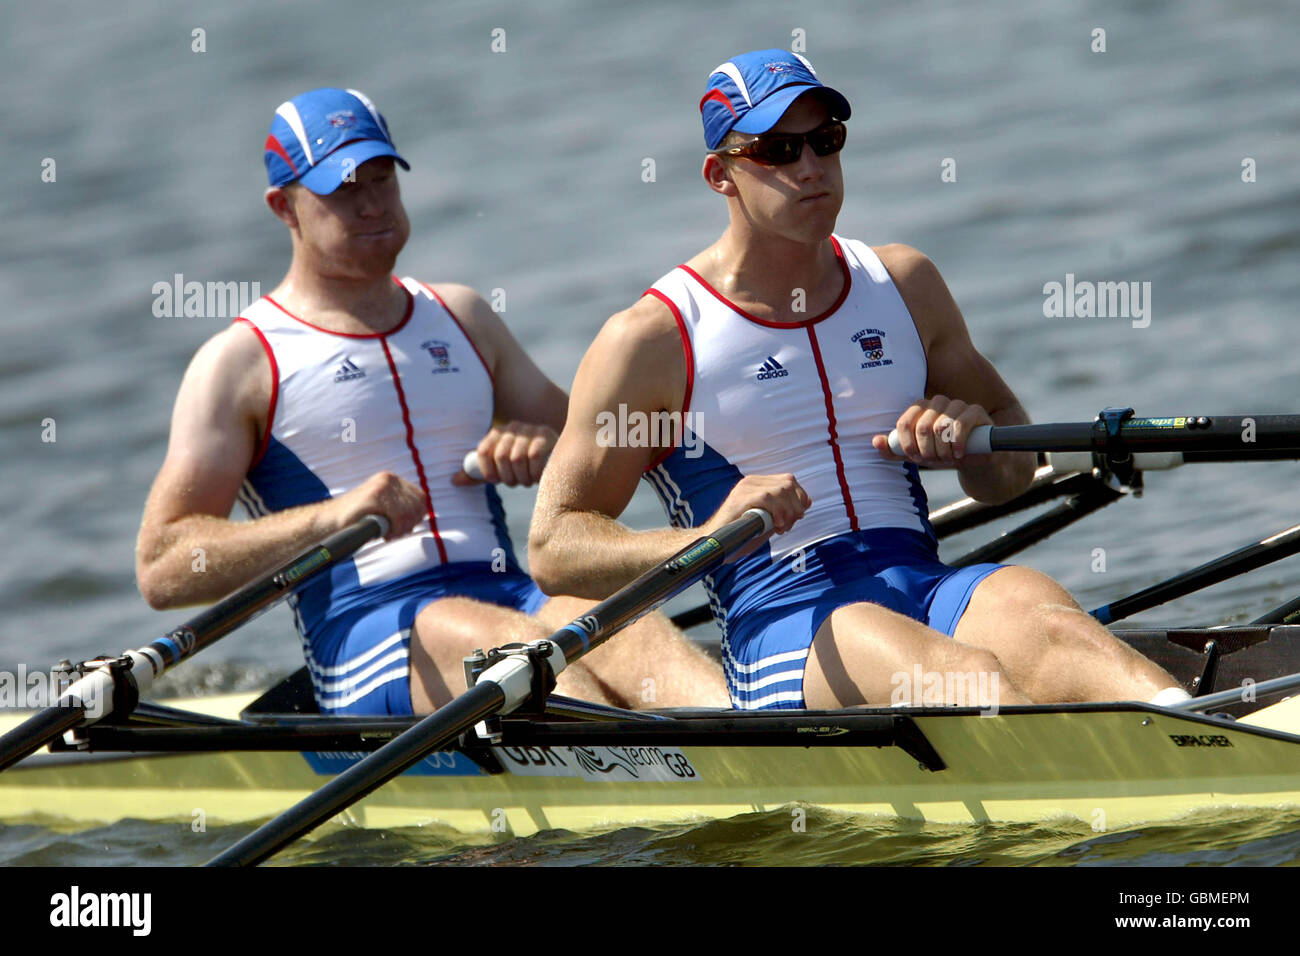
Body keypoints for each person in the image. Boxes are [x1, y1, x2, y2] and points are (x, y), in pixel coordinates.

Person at [528, 51, 1189, 711]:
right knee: (965, 676)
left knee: (1045, 614)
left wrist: (976, 445)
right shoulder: (652, 341)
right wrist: (705, 539)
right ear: (720, 175)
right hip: (788, 624)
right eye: (778, 150)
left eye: (825, 140)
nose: (810, 167)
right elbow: (555, 548)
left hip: (926, 586)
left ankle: (1197, 727)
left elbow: (1011, 472)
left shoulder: (904, 285)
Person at [135, 87, 727, 715]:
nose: (372, 204)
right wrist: (331, 519)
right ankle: (624, 756)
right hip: (366, 636)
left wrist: (540, 447)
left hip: (510, 598)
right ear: (284, 207)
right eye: (343, 189)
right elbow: (162, 567)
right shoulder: (240, 364)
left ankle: (746, 738)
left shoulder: (462, 316)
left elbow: (599, 444)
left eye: (382, 178)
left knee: (619, 618)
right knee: (500, 642)